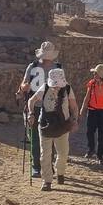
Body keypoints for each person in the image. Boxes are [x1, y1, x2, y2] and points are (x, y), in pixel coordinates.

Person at [26, 68, 79, 192]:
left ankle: (60, 172)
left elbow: (74, 107)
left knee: (63, 152)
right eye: (54, 85)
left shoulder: (68, 89)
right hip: (45, 124)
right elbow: (31, 100)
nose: (56, 87)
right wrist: (31, 114)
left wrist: (75, 120)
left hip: (63, 125)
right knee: (45, 155)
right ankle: (47, 181)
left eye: (58, 85)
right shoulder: (44, 88)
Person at [17, 41, 61, 179]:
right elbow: (24, 83)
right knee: (35, 137)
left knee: (50, 138)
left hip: (51, 107)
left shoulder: (57, 68)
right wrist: (25, 87)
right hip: (35, 106)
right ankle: (36, 166)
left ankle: (46, 166)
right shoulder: (33, 66)